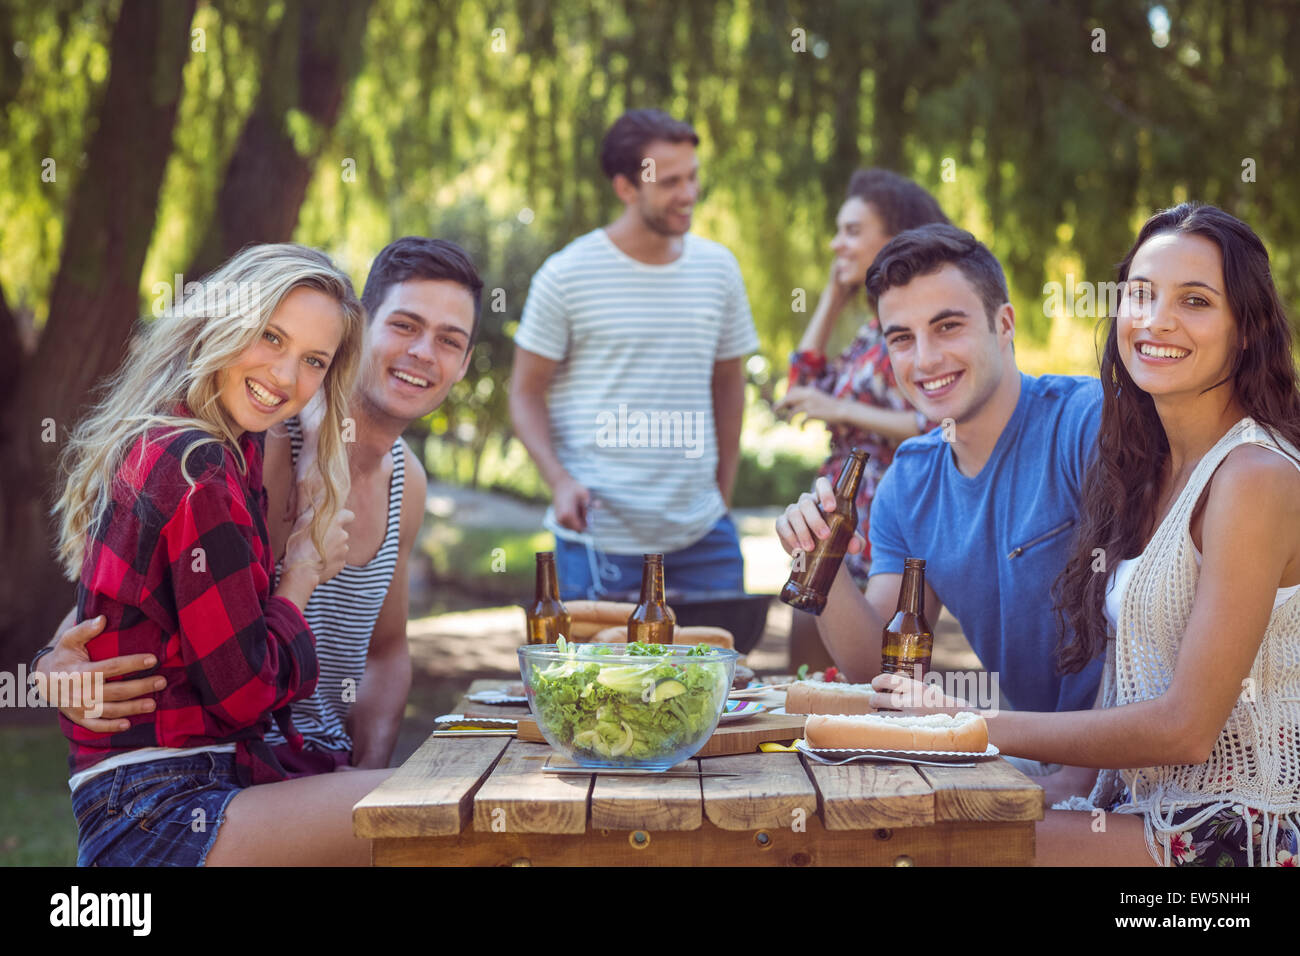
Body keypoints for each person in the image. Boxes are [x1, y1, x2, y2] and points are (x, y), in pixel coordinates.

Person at [877, 203, 1300, 867]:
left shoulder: (1254, 475)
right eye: (1140, 294)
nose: (1156, 320)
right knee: (893, 826)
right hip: (1135, 809)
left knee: (941, 851)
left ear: (1246, 329)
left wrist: (965, 728)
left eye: (1195, 300)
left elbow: (1186, 730)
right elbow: (1127, 676)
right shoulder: (1145, 468)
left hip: (1241, 835)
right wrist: (1054, 786)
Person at [38, 237, 482, 776]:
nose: (422, 353)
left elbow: (386, 652)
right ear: (360, 331)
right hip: (238, 760)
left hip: (316, 766)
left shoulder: (407, 482)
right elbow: (141, 580)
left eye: (449, 341)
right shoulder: (265, 437)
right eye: (405, 325)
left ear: (463, 365)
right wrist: (54, 660)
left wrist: (368, 773)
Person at [48, 243, 389, 866]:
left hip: (181, 783)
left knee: (424, 809)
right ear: (221, 322)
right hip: (157, 805)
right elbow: (245, 692)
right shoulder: (196, 464)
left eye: (313, 360)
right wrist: (302, 576)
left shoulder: (209, 444)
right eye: (270, 337)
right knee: (429, 817)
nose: (286, 377)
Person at [775, 223, 1104, 799]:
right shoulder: (911, 476)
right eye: (901, 338)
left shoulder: (1083, 423)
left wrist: (1074, 782)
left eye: (947, 326)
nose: (925, 359)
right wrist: (817, 565)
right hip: (1038, 761)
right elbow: (878, 663)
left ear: (1004, 325)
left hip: (1138, 773)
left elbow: (1154, 622)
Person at [510, 108, 759, 600]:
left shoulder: (719, 270)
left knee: (724, 678)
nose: (688, 194)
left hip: (704, 537)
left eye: (692, 177)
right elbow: (524, 392)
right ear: (626, 187)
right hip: (597, 543)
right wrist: (558, 480)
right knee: (594, 681)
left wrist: (722, 495)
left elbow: (729, 385)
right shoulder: (565, 276)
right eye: (670, 182)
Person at [776, 169, 948, 586]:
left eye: (852, 231)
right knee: (810, 638)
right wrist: (831, 299)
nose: (837, 244)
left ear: (896, 237)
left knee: (863, 644)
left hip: (885, 519)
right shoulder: (872, 331)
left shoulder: (918, 330)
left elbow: (938, 426)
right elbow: (800, 388)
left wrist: (839, 409)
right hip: (837, 513)